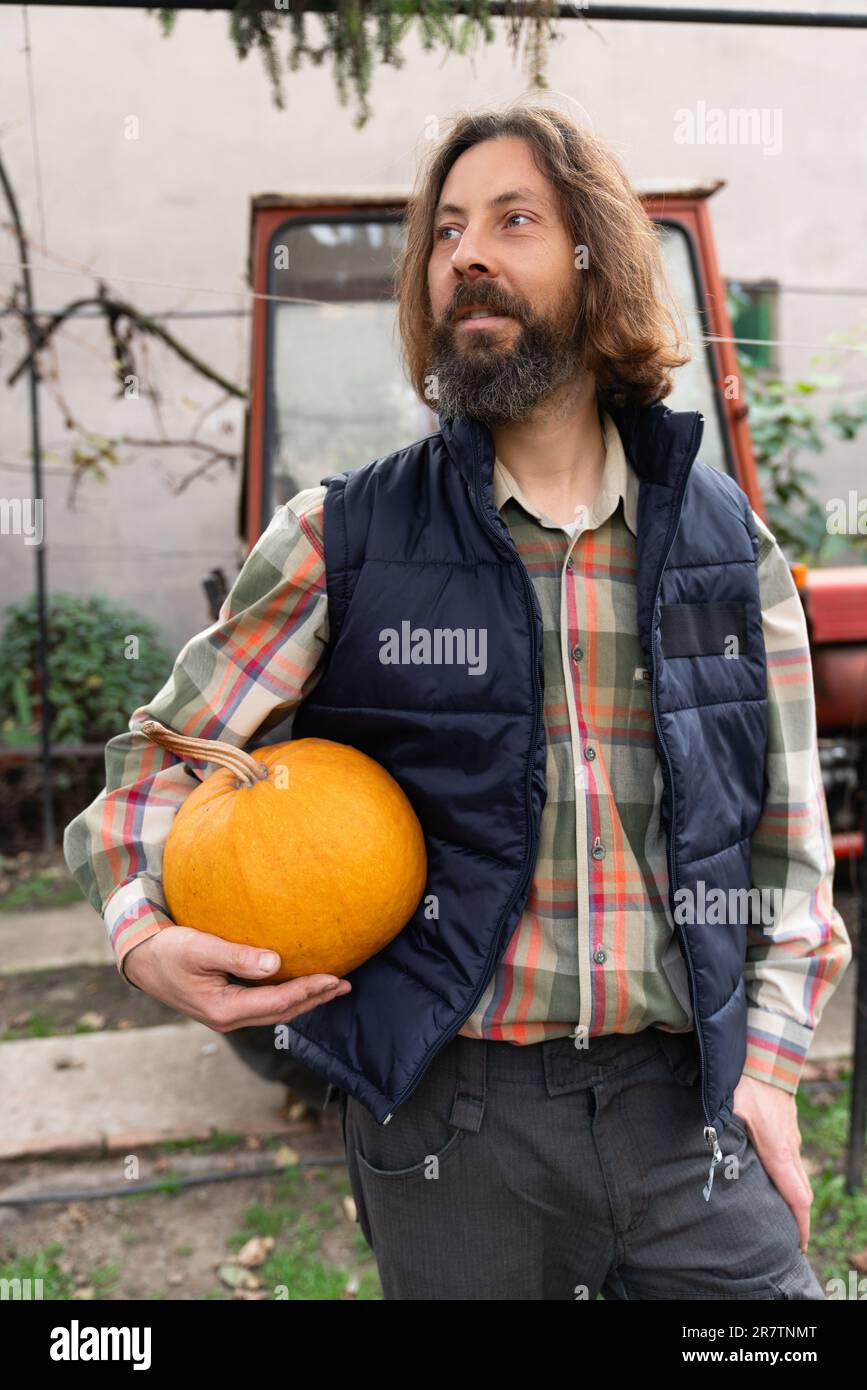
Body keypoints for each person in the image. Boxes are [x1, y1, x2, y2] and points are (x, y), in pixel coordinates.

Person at [64, 103, 852, 1301]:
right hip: (455, 1128)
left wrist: (771, 1074)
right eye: (444, 233)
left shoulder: (723, 542)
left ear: (597, 260)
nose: (465, 254)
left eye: (512, 221)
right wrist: (141, 936)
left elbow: (787, 847)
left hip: (687, 1114)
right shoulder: (341, 539)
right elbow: (149, 777)